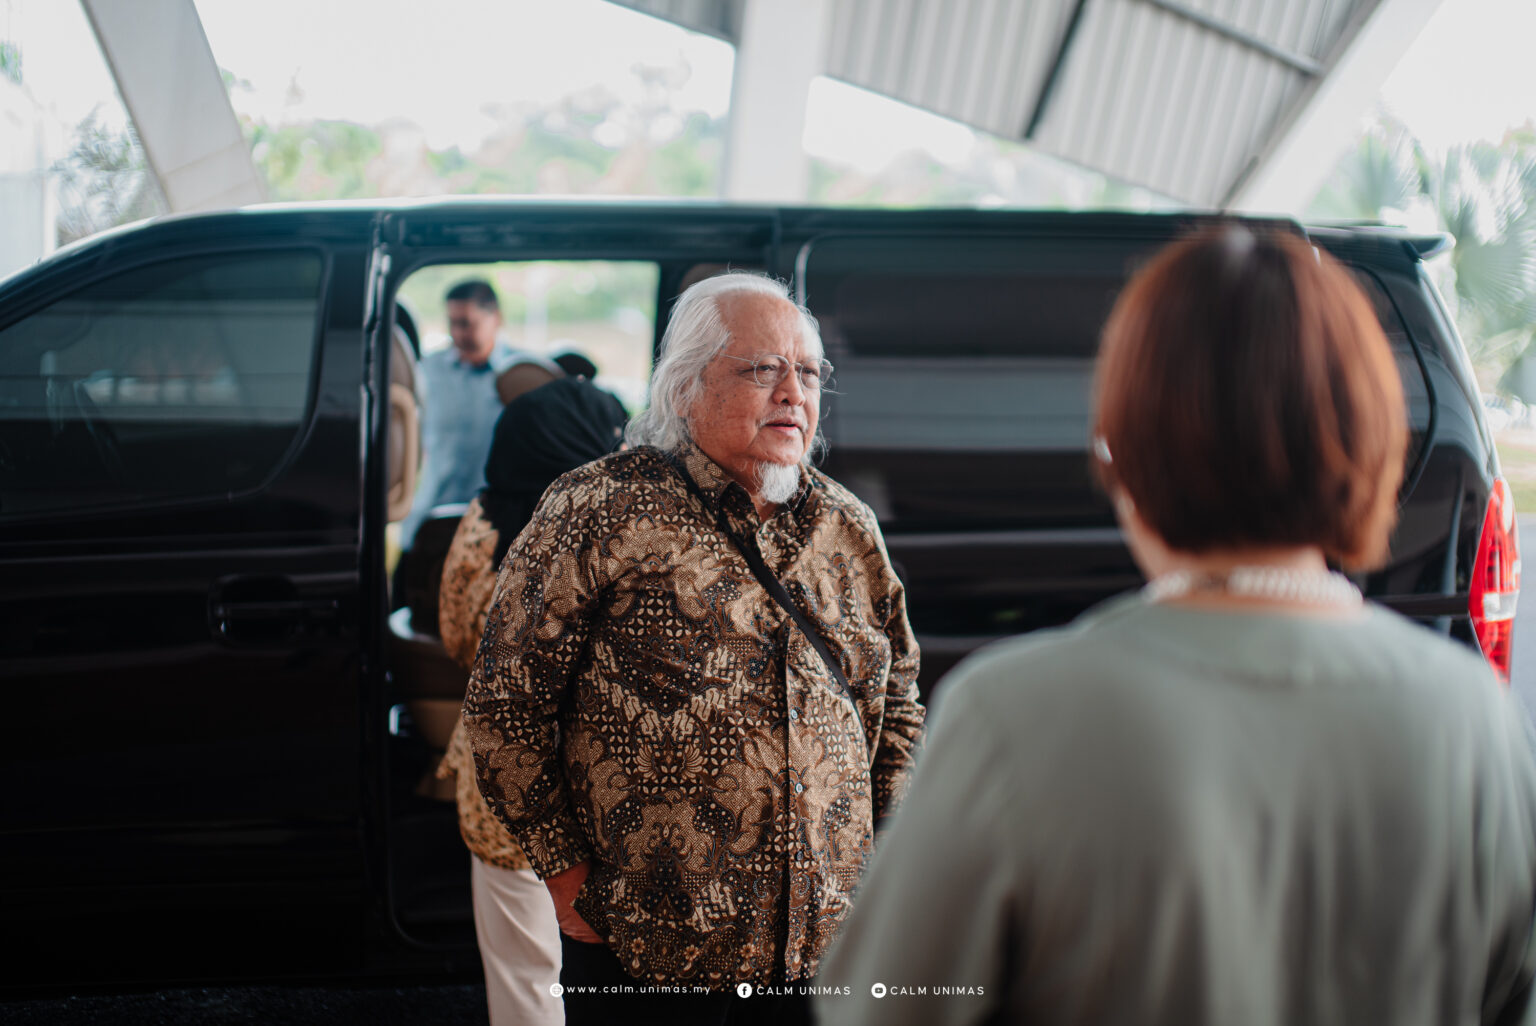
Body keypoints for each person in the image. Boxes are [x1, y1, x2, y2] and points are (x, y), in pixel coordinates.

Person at [817, 227, 1536, 1026]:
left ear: (1125, 446)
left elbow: (879, 1008)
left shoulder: (1016, 716)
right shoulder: (1471, 717)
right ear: (1368, 441)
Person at [462, 271, 926, 1025]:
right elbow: (505, 702)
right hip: (645, 952)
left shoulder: (848, 526)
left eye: (806, 373)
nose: (792, 392)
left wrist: (883, 853)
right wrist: (565, 876)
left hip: (827, 950)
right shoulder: (598, 507)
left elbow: (899, 698)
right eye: (760, 369)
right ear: (684, 389)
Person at [436, 377, 628, 1026]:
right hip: (617, 805)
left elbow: (458, 635)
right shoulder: (638, 540)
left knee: (526, 979)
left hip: (506, 804)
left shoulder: (483, 525)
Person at [399, 279, 560, 546]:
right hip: (433, 518)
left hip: (500, 528)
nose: (458, 333)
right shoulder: (428, 370)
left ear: (496, 318)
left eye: (467, 323)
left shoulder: (527, 375)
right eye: (452, 322)